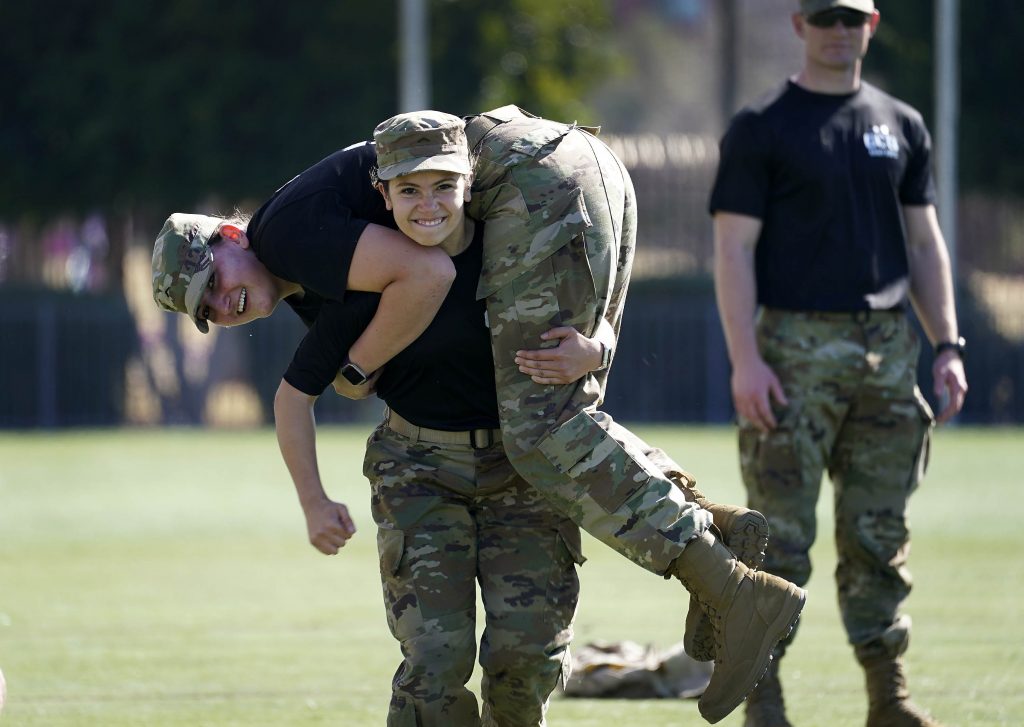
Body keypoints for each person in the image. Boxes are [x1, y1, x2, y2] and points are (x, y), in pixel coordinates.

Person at [152, 109, 806, 724]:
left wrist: (354, 372)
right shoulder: (332, 263)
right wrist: (601, 339)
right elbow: (309, 382)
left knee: (540, 430)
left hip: (540, 178)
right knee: (557, 409)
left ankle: (728, 584)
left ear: (231, 234)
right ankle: (709, 530)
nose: (221, 302)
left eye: (212, 277)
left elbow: (427, 271)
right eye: (205, 309)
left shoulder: (289, 237)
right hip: (582, 168)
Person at [273, 118, 589, 724]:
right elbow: (293, 396)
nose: (428, 205)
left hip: (522, 471)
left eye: (443, 185)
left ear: (470, 183)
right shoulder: (371, 284)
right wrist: (314, 503)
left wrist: (594, 349)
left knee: (526, 660)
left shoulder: (516, 250)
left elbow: (599, 311)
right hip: (418, 473)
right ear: (382, 193)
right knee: (436, 661)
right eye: (409, 190)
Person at [708, 2, 968, 726]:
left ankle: (889, 696)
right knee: (780, 540)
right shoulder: (762, 127)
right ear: (798, 24)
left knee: (878, 535)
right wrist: (746, 360)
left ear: (873, 23)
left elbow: (923, 245)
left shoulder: (901, 124)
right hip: (791, 353)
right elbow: (732, 250)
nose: (837, 28)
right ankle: (764, 695)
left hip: (889, 355)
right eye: (823, 15)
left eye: (851, 16)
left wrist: (947, 346)